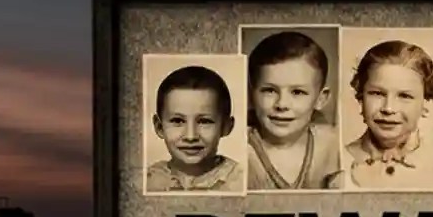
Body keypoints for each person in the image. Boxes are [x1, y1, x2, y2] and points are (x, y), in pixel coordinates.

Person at [334, 39, 433, 190]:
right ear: (360, 96)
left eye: (404, 96)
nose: (388, 108)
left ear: (425, 102)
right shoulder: (335, 164)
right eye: (377, 93)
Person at [244, 31, 341, 190]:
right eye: (269, 90)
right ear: (250, 95)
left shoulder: (335, 146)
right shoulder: (238, 152)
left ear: (320, 99)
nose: (282, 104)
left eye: (297, 92)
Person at [145, 64, 244, 192]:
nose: (191, 136)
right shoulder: (148, 181)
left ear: (226, 127)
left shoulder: (239, 182)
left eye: (204, 121)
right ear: (159, 127)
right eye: (178, 121)